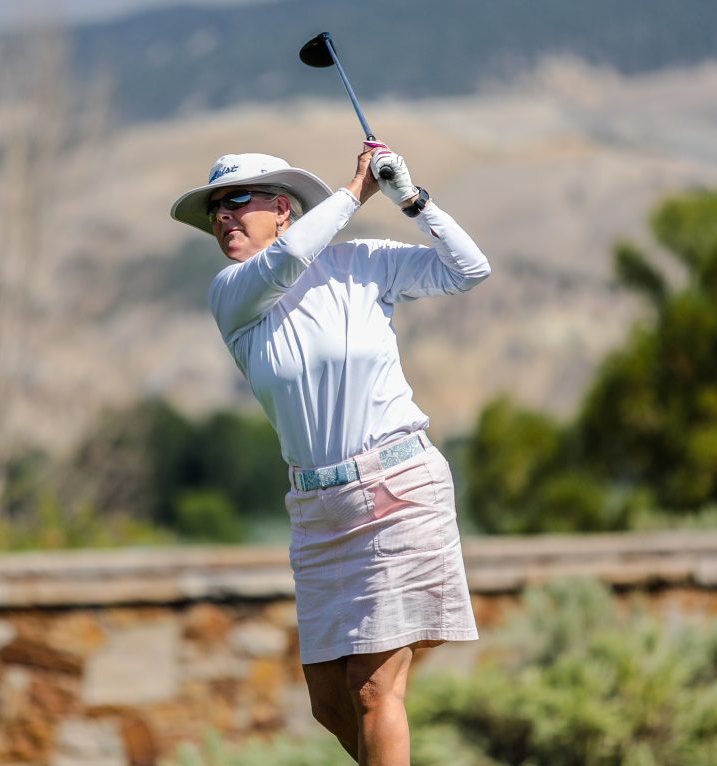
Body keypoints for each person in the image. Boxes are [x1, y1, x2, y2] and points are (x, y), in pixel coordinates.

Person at [170, 143, 491, 766]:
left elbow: (468, 269)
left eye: (237, 201)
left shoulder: (362, 263)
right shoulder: (232, 294)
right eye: (215, 211)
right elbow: (288, 260)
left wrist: (410, 199)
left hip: (398, 487)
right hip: (318, 511)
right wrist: (355, 189)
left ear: (283, 209)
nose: (223, 218)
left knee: (372, 689)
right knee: (327, 700)